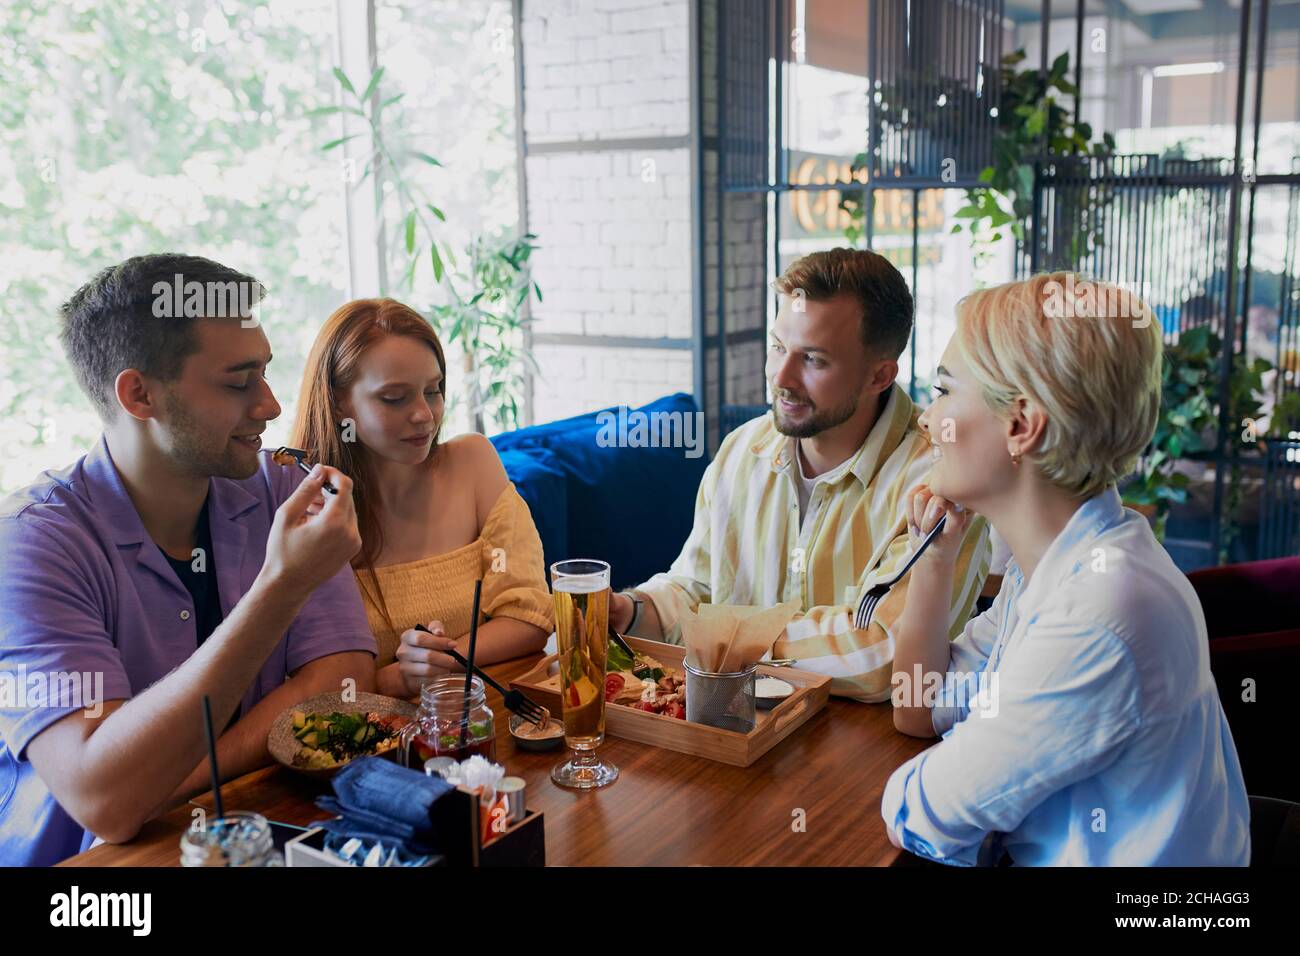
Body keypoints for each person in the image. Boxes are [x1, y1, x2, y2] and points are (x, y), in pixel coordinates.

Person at [0, 254, 377, 866]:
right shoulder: (32, 546)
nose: (271, 405)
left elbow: (344, 688)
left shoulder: (281, 488)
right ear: (139, 394)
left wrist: (160, 779)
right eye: (238, 382)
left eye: (265, 373)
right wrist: (281, 586)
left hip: (257, 832)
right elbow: (105, 801)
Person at [882, 273, 1250, 865]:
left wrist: (954, 759)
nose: (926, 418)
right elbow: (920, 709)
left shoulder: (1098, 610)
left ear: (1022, 425)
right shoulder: (1055, 565)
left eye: (945, 391)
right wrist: (935, 559)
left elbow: (925, 812)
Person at [610, 248, 991, 701]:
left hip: (869, 740)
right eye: (777, 348)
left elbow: (881, 655)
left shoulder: (945, 478)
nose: (781, 378)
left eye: (813, 359)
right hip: (735, 724)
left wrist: (734, 636)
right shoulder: (742, 451)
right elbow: (696, 589)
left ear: (879, 376)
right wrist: (631, 611)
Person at [290, 298, 553, 698]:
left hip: (476, 715)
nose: (424, 415)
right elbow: (303, 686)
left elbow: (529, 616)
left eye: (433, 391)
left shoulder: (473, 463)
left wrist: (438, 660)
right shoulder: (307, 508)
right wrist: (397, 678)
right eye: (394, 398)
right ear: (339, 402)